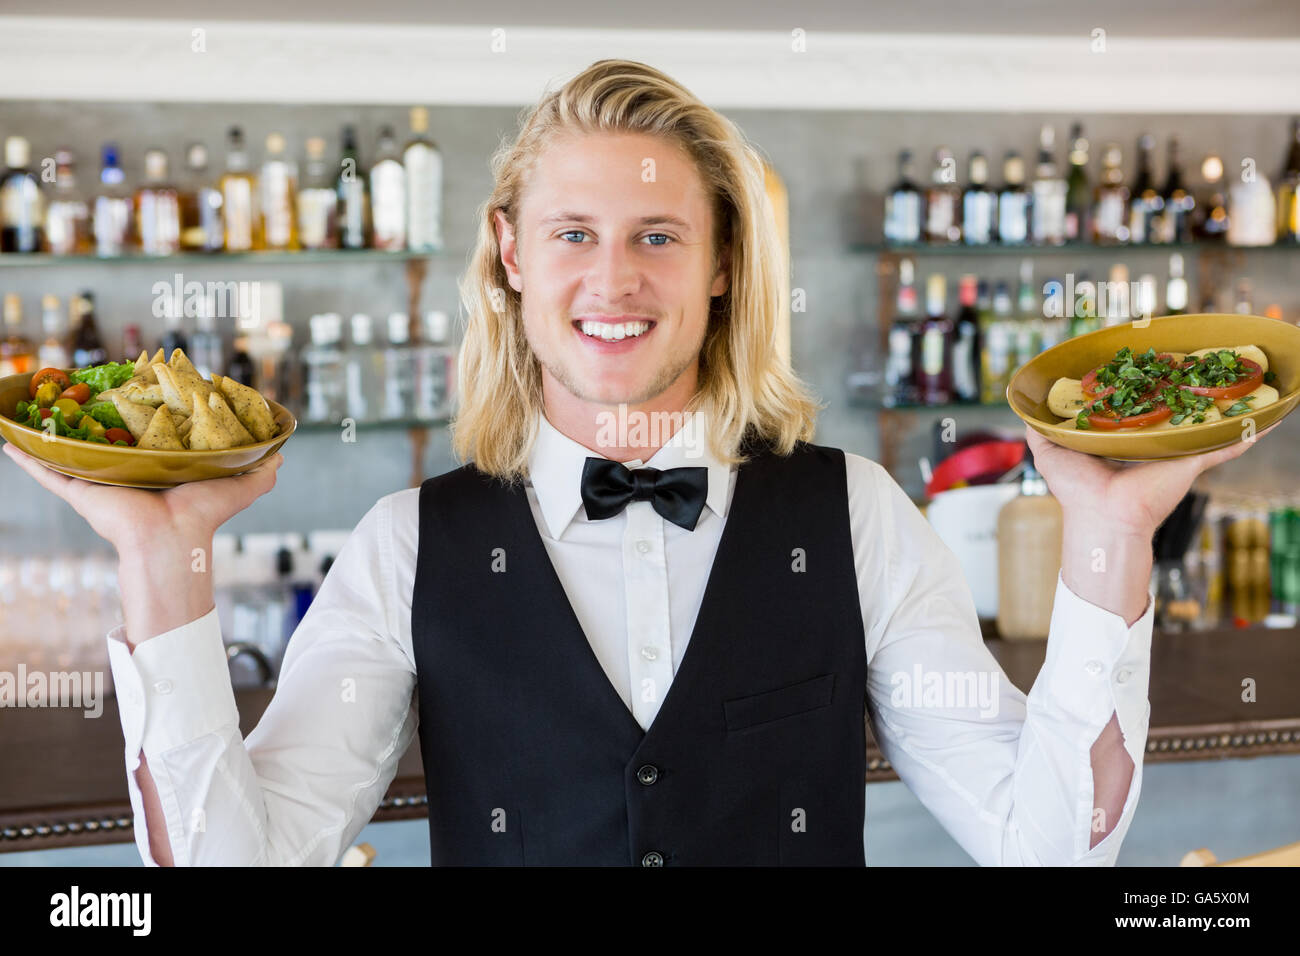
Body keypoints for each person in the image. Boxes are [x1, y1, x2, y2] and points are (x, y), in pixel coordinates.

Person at [4, 59, 1276, 866]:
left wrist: (1108, 537)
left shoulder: (858, 517)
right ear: (510, 252)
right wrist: (156, 555)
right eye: (573, 232)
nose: (613, 280)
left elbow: (1046, 848)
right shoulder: (407, 545)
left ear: (724, 264)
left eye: (659, 234)